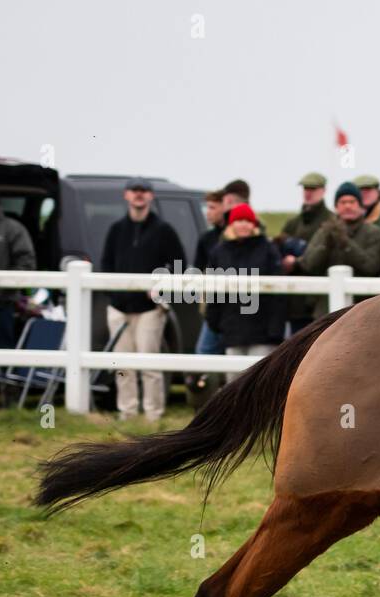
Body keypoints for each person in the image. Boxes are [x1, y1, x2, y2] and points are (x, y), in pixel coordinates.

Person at [100, 177, 186, 423]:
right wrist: (113, 293)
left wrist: (161, 288)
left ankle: (153, 415)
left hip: (150, 308)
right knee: (122, 365)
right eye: (135, 190)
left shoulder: (164, 230)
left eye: (144, 191)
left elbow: (179, 264)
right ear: (126, 195)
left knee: (150, 363)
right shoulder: (116, 230)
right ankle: (127, 412)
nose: (139, 195)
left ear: (151, 196)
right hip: (119, 307)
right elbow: (106, 264)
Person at [204, 203, 284, 383]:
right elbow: (213, 290)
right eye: (239, 220)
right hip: (232, 328)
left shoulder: (268, 249)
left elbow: (279, 292)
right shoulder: (220, 252)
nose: (243, 225)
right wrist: (214, 321)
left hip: (262, 330)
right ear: (231, 224)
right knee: (233, 382)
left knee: (260, 381)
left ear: (254, 224)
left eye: (248, 221)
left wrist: (275, 328)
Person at [298, 182, 380, 285]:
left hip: (362, 297)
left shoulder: (373, 232)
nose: (347, 206)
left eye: (352, 202)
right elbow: (308, 265)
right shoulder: (324, 230)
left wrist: (346, 243)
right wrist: (326, 243)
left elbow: (372, 268)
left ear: (360, 206)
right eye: (343, 202)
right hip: (325, 296)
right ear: (336, 207)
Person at [279, 171, 334, 332]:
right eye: (305, 189)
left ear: (323, 191)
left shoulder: (331, 222)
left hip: (318, 300)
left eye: (313, 188)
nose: (308, 193)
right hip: (294, 300)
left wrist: (299, 260)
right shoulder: (292, 223)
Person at [0, 209, 36, 353]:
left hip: (2, 304)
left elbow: (26, 264)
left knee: (3, 350)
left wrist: (4, 286)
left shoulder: (12, 229)